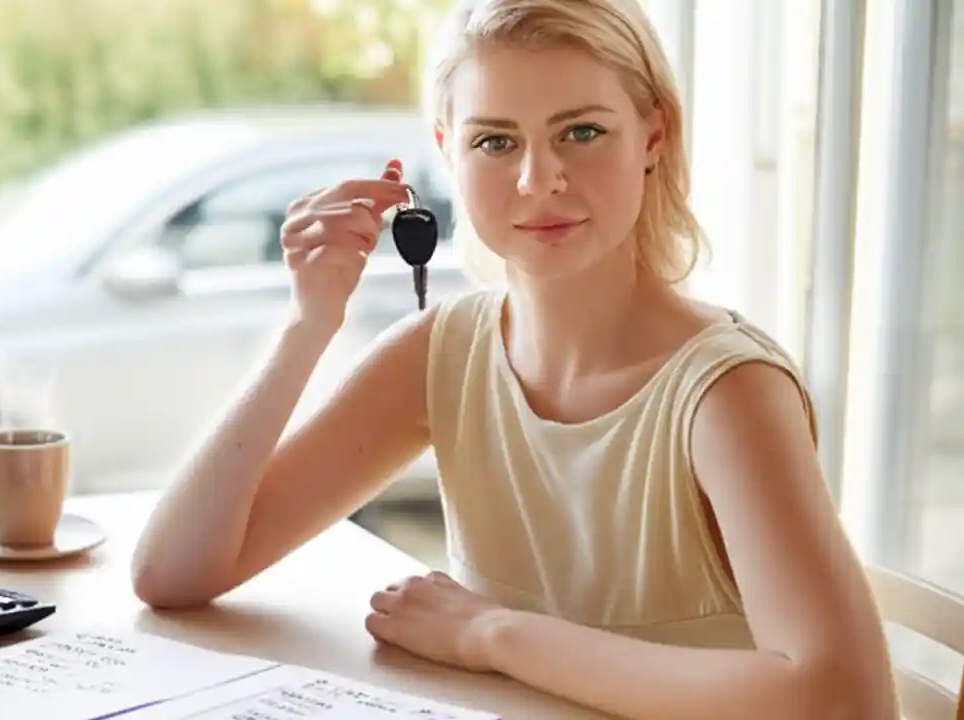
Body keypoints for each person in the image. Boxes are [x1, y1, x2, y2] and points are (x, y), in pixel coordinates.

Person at [131, 0, 898, 717]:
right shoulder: (442, 355)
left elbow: (843, 695)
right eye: (495, 141)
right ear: (447, 152)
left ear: (654, 138)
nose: (539, 180)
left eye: (582, 132)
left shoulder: (727, 394)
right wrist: (306, 327)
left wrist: (488, 635)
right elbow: (174, 573)